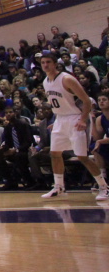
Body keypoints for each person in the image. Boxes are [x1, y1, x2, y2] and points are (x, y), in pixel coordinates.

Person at [38, 53, 108, 200]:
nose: (45, 65)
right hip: (60, 119)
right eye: (43, 62)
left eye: (48, 62)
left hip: (76, 117)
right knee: (55, 153)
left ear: (55, 63)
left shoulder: (67, 79)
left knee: (82, 156)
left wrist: (83, 120)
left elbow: (87, 101)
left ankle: (104, 187)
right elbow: (57, 103)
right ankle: (59, 187)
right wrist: (56, 121)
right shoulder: (45, 81)